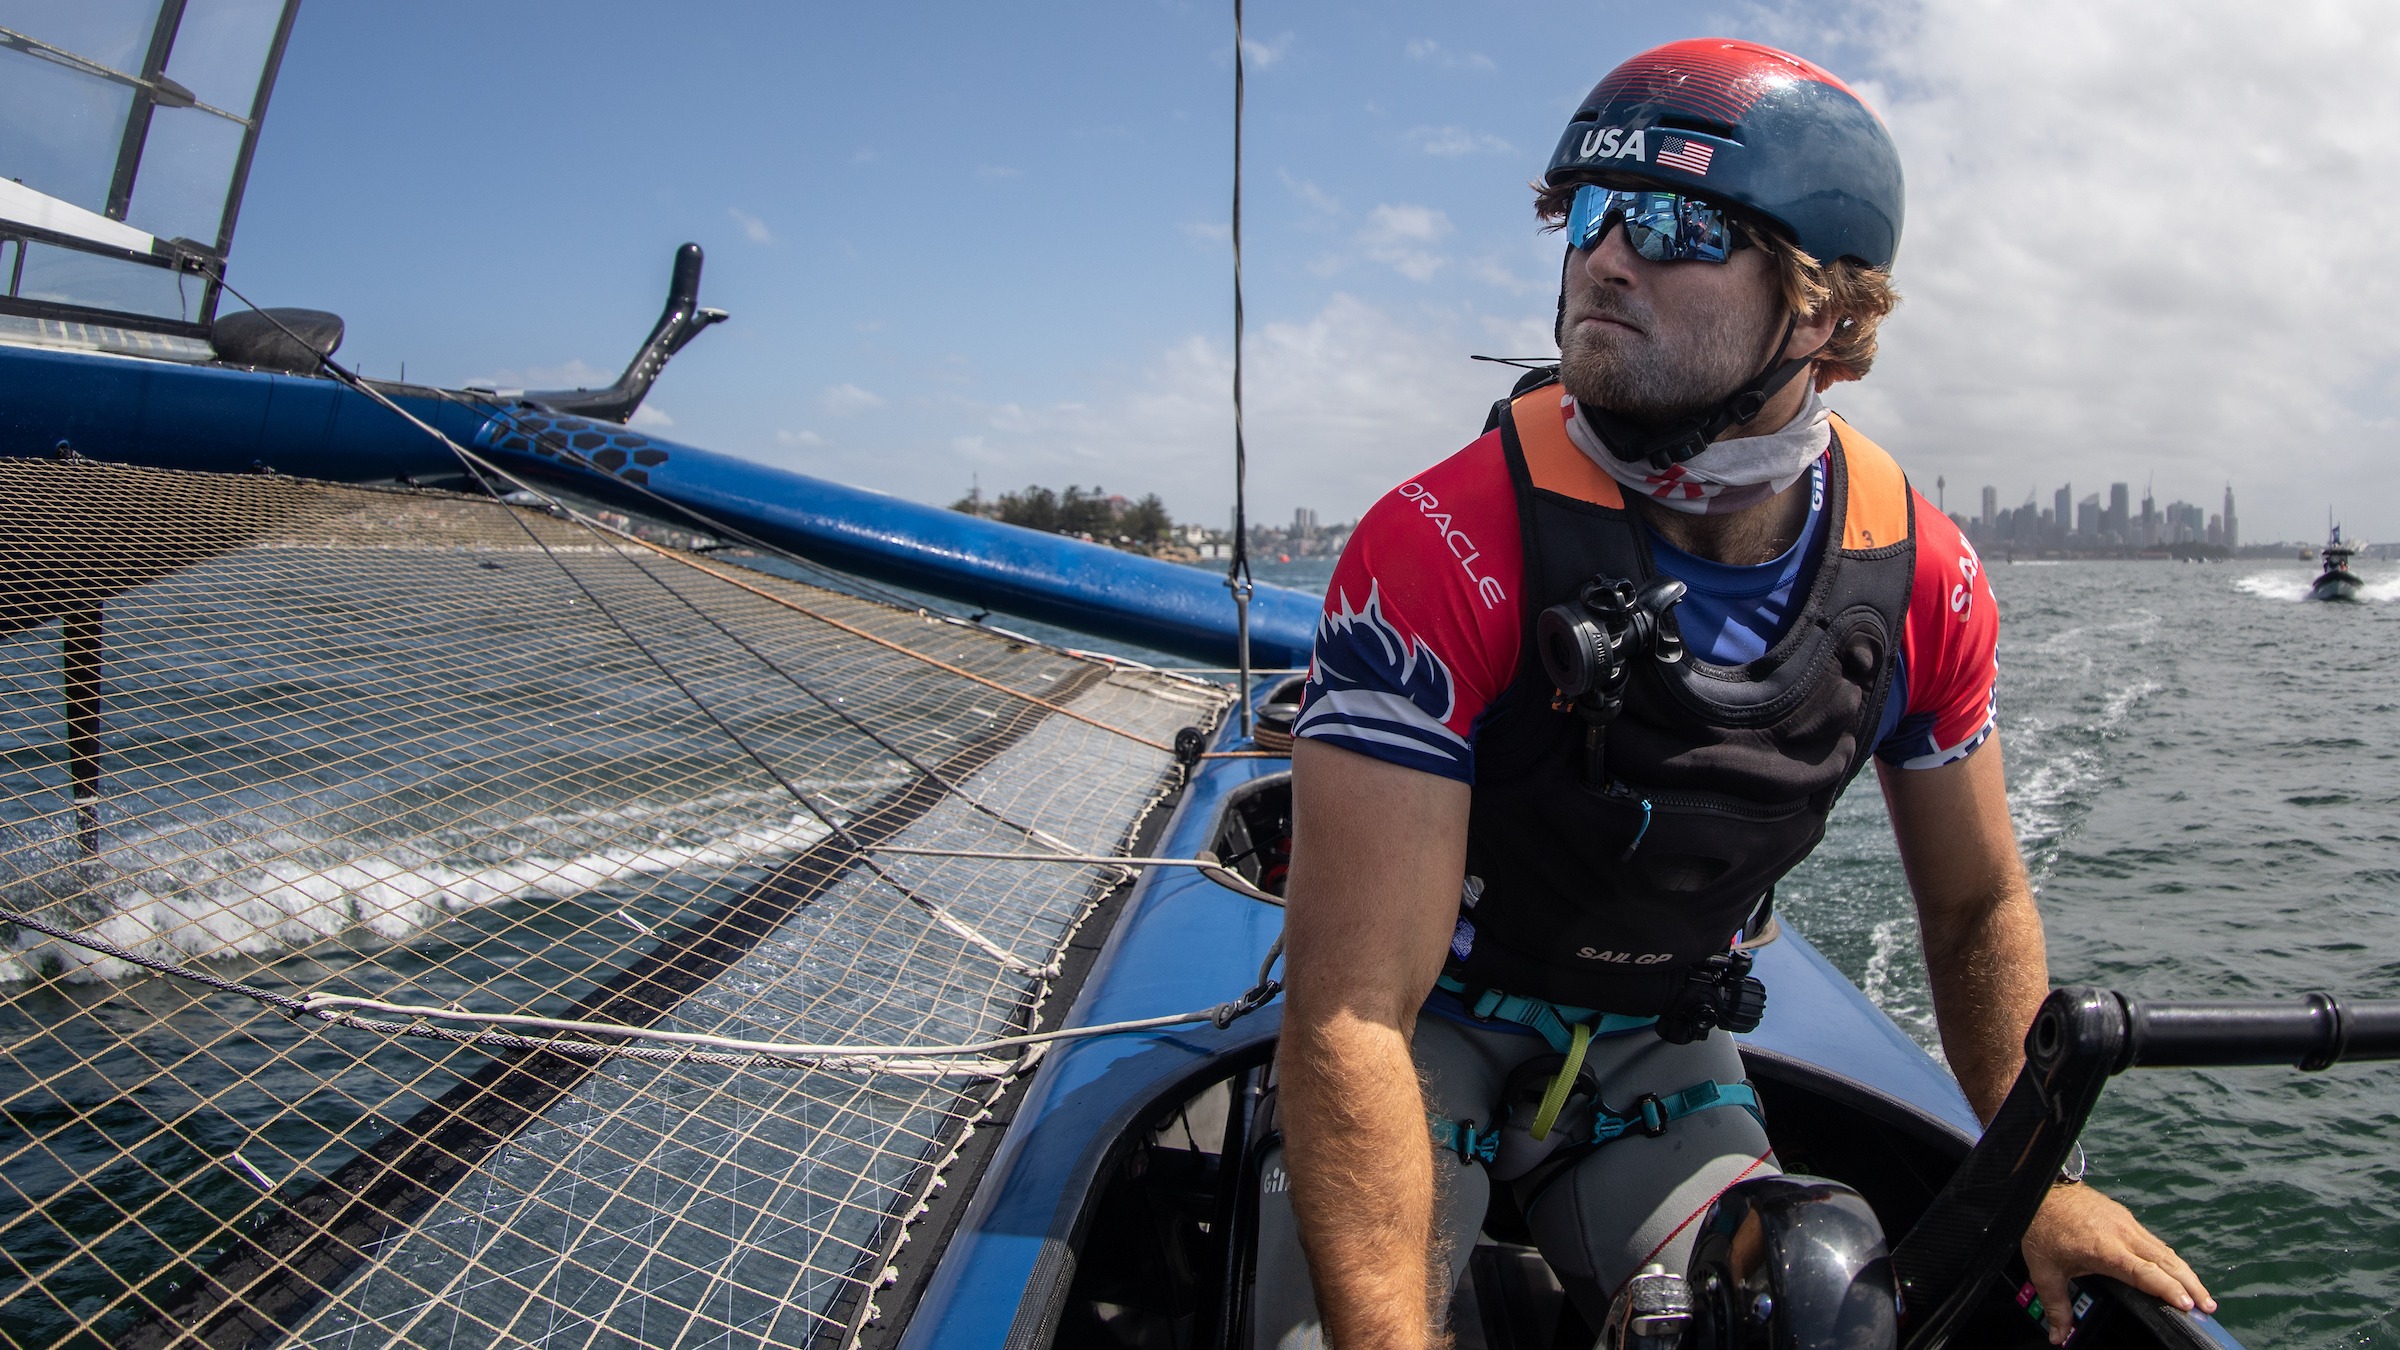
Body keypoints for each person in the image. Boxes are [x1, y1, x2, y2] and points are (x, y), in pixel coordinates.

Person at [1266, 37, 2216, 1349]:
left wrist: (2030, 1177)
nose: (1606, 258)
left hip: (1658, 1044)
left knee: (1822, 1305)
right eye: (1592, 216)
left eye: (1675, 224)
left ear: (1827, 315)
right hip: (1430, 1027)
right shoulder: (1445, 542)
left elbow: (1977, 899)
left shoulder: (1919, 582)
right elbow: (1353, 1007)